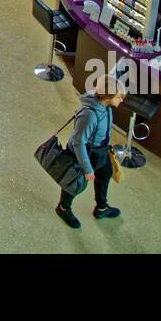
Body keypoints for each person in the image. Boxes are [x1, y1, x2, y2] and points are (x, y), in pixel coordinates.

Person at [55, 76, 125, 228]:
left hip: (100, 150)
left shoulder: (107, 107)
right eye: (119, 96)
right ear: (108, 96)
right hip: (85, 152)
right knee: (75, 183)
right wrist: (87, 168)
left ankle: (102, 208)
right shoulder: (90, 115)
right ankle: (63, 208)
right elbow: (78, 142)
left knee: (105, 174)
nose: (122, 100)